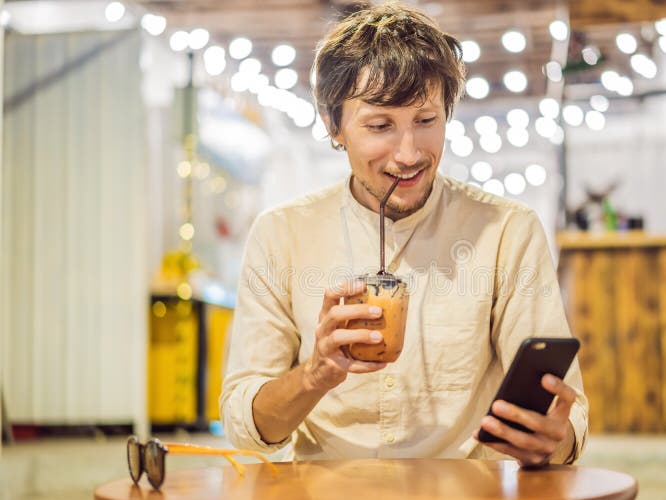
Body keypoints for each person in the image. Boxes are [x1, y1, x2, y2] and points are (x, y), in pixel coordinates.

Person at [220, 1, 588, 467]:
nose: (409, 153)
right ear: (333, 126)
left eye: (426, 121)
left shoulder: (507, 231)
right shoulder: (281, 234)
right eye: (380, 126)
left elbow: (566, 414)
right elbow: (246, 426)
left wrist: (553, 438)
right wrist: (315, 375)